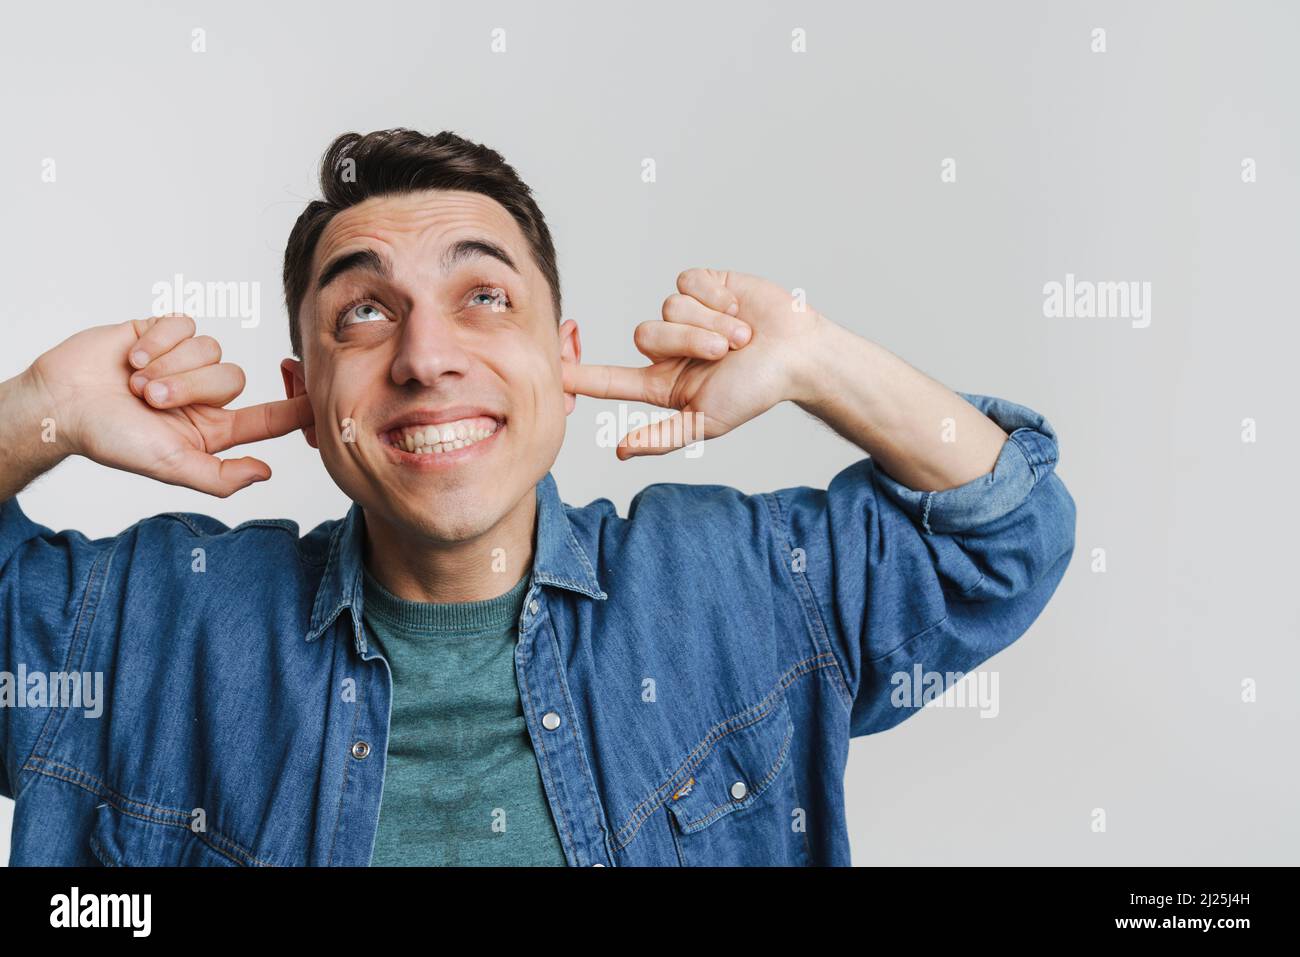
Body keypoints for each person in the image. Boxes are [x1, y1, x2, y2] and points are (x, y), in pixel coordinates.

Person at [0, 128, 1075, 866]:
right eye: (364, 316)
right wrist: (38, 408)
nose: (427, 357)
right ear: (303, 389)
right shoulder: (148, 623)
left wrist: (819, 361)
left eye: (483, 297)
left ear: (563, 361)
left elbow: (1005, 533)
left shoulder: (735, 590)